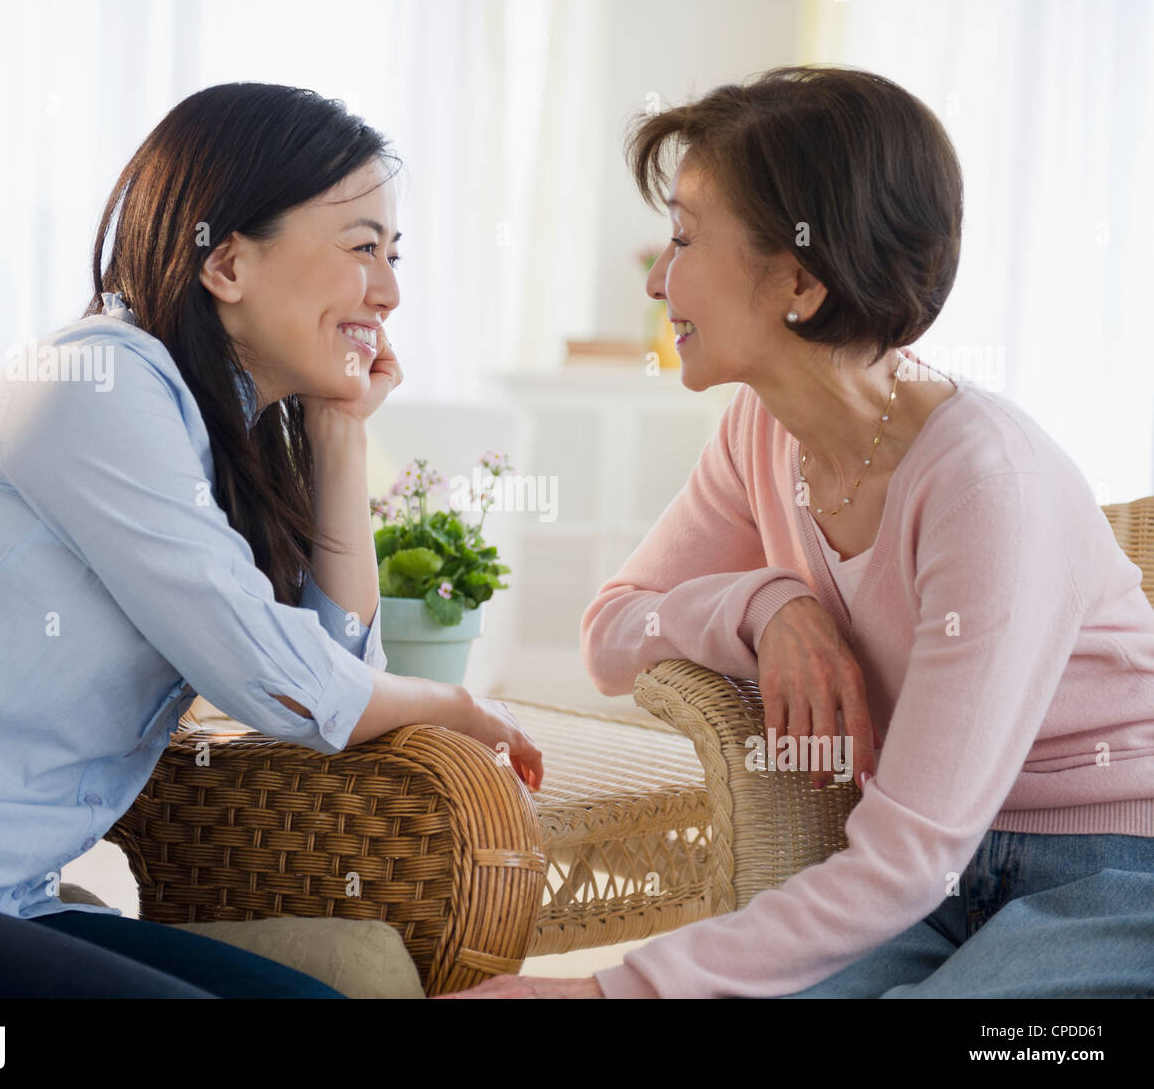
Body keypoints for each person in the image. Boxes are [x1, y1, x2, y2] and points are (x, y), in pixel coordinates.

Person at [442, 65, 1154, 1000]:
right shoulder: (760, 430)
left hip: (1112, 873)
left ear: (801, 283)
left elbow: (903, 857)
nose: (658, 279)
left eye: (685, 239)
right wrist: (766, 603)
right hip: (926, 883)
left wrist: (606, 990)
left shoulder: (987, 485)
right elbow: (613, 630)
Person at [0, 82, 541, 999]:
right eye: (362, 249)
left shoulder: (219, 436)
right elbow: (288, 685)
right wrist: (451, 702)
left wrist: (341, 433)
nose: (389, 289)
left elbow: (332, 666)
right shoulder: (95, 383)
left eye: (394, 253)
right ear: (226, 266)